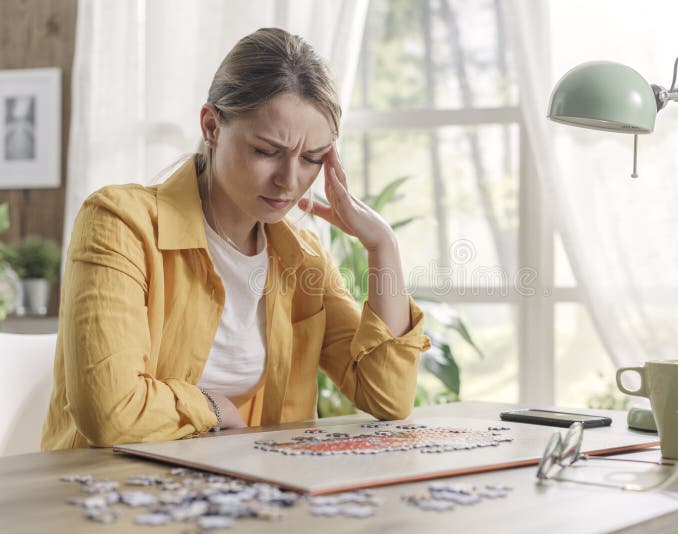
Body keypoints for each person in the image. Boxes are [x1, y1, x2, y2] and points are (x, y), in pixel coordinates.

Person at [41, 28, 429, 450]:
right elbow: (110, 412)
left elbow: (388, 397)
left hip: (245, 498)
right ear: (211, 126)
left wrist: (382, 246)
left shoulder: (302, 260)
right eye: (266, 151)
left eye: (312, 159)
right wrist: (213, 406)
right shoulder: (120, 224)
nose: (289, 180)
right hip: (104, 498)